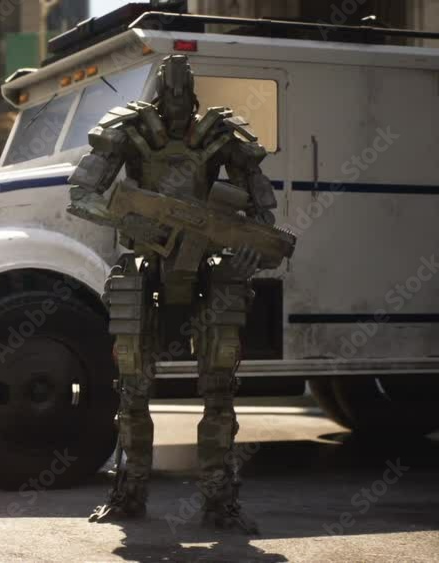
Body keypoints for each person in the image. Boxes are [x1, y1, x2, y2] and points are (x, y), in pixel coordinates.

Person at [67, 54, 279, 534]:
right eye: (170, 94)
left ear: (194, 95)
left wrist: (252, 250)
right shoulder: (130, 128)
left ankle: (219, 501)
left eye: (184, 94)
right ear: (159, 94)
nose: (177, 102)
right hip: (147, 261)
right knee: (133, 389)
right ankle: (129, 492)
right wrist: (132, 220)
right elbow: (82, 194)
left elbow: (264, 212)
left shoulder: (222, 132)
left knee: (221, 387)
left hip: (208, 261)